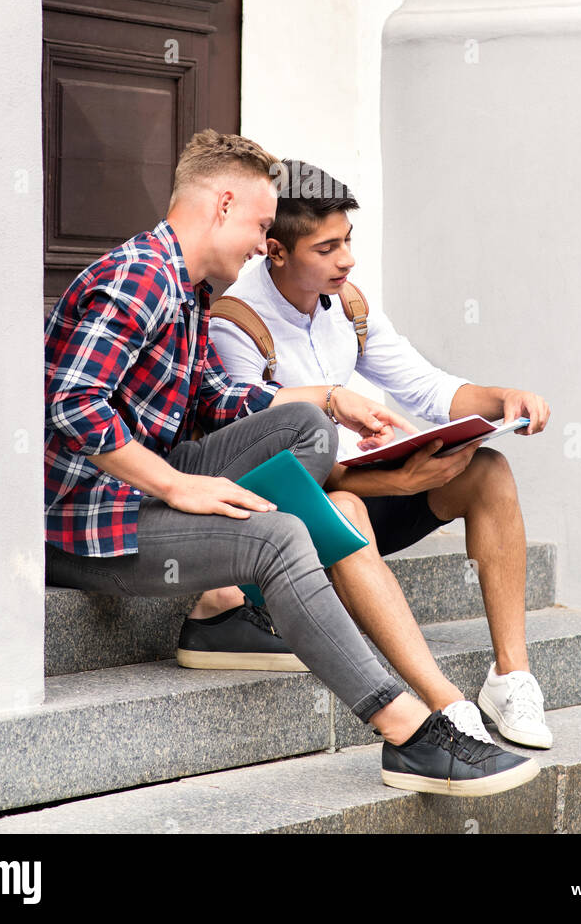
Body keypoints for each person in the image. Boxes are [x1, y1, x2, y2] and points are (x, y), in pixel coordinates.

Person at [43, 130, 540, 796]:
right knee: (281, 538)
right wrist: (177, 486)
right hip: (90, 523)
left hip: (143, 492)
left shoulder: (182, 285)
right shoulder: (138, 277)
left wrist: (331, 400)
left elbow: (216, 398)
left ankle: (223, 613)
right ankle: (412, 735)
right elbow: (73, 406)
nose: (258, 242)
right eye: (256, 223)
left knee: (306, 428)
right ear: (222, 204)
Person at [207, 159, 554, 749]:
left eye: (348, 242)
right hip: (294, 520)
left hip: (362, 484)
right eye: (328, 247)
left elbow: (428, 387)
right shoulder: (234, 325)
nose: (347, 259)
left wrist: (502, 398)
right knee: (345, 506)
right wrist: (394, 483)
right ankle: (442, 702)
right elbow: (271, 473)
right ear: (276, 251)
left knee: (488, 471)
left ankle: (510, 675)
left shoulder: (348, 305)